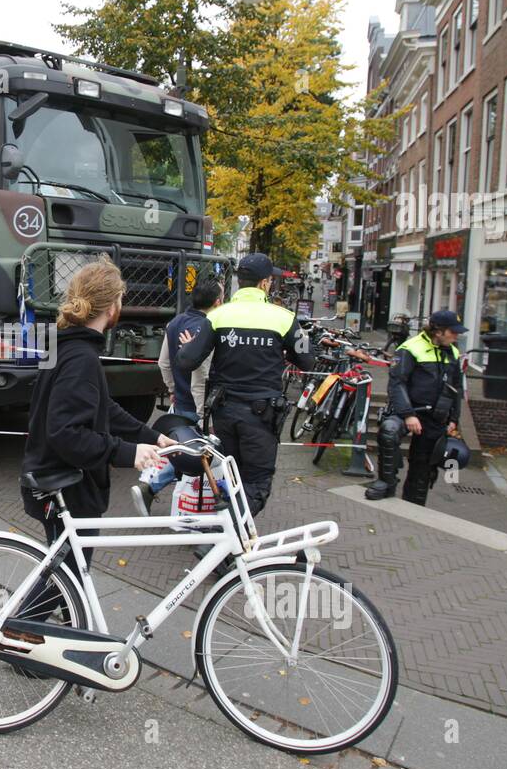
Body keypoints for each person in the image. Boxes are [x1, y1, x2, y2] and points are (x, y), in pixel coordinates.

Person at [21, 257, 170, 593]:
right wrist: (128, 453)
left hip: (53, 477)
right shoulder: (81, 358)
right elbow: (67, 433)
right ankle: (17, 633)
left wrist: (153, 436)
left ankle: (56, 633)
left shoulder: (64, 346)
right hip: (68, 487)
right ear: (112, 305)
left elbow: (103, 409)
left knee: (67, 583)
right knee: (65, 584)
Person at [176, 252, 317, 518]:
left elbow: (187, 361)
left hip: (225, 412)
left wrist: (186, 347)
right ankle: (221, 548)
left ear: (240, 281)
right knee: (257, 485)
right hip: (261, 416)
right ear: (265, 284)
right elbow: (308, 361)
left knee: (234, 477)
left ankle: (229, 542)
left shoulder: (219, 316)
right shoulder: (284, 318)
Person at [131, 278, 221, 516]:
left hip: (180, 402)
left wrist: (172, 389)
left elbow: (163, 362)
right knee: (198, 457)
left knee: (181, 450)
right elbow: (200, 375)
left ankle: (151, 487)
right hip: (197, 406)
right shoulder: (209, 328)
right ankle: (164, 494)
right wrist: (205, 415)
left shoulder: (175, 323)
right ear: (218, 302)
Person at [366, 310, 466, 505]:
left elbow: (456, 388)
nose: (457, 335)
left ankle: (413, 504)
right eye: (453, 331)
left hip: (435, 416)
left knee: (425, 464)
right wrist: (409, 414)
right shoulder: (410, 348)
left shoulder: (452, 351)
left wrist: (454, 418)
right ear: (438, 331)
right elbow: (397, 383)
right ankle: (386, 482)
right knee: (389, 431)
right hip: (408, 411)